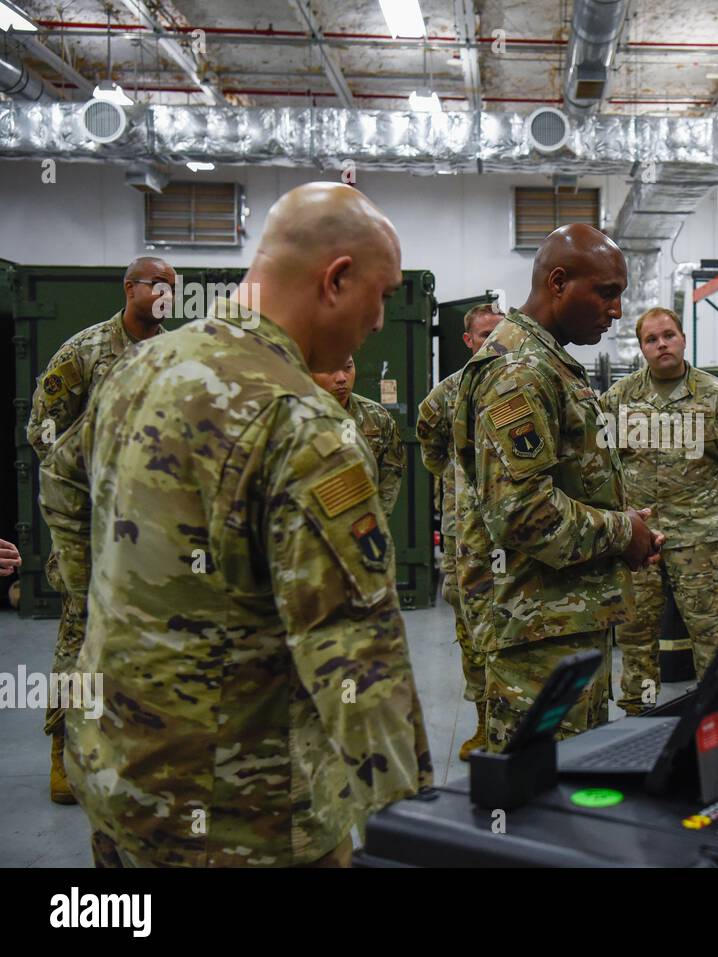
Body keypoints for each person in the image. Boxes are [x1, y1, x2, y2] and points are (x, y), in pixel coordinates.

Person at [39, 182, 431, 867]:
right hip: (245, 819)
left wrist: (96, 593)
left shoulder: (141, 368)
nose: (378, 319)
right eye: (384, 293)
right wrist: (425, 833)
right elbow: (357, 657)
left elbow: (60, 476)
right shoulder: (301, 422)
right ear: (337, 279)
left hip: (117, 780)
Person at [453, 224, 663, 752]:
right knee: (541, 801)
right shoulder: (519, 370)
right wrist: (621, 532)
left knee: (570, 788)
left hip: (562, 621)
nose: (616, 311)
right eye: (607, 292)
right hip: (537, 634)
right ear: (559, 282)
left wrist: (621, 517)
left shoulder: (545, 360)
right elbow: (522, 513)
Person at [25, 255, 175, 805]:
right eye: (155, 284)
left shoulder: (174, 353)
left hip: (153, 529)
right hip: (89, 527)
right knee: (78, 637)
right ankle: (63, 749)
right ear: (129, 287)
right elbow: (43, 428)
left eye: (172, 288)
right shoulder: (84, 351)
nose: (164, 294)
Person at [600, 306, 718, 713]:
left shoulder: (717, 396)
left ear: (683, 339)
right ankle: (639, 718)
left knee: (712, 633)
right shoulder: (620, 398)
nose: (662, 345)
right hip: (640, 538)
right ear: (641, 348)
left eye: (668, 335)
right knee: (635, 635)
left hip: (702, 540)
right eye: (651, 340)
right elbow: (600, 463)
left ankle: (717, 719)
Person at [415, 302, 503, 758]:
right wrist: (457, 485)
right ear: (468, 341)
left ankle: (516, 721)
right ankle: (485, 722)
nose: (491, 342)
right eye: (482, 335)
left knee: (511, 623)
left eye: (498, 333)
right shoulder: (448, 394)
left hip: (511, 531)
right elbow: (429, 445)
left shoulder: (518, 384)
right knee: (469, 625)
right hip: (461, 530)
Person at [312, 355, 405, 515]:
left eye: (348, 368)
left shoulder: (377, 417)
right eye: (330, 370)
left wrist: (377, 517)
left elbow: (391, 473)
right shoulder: (297, 418)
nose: (341, 378)